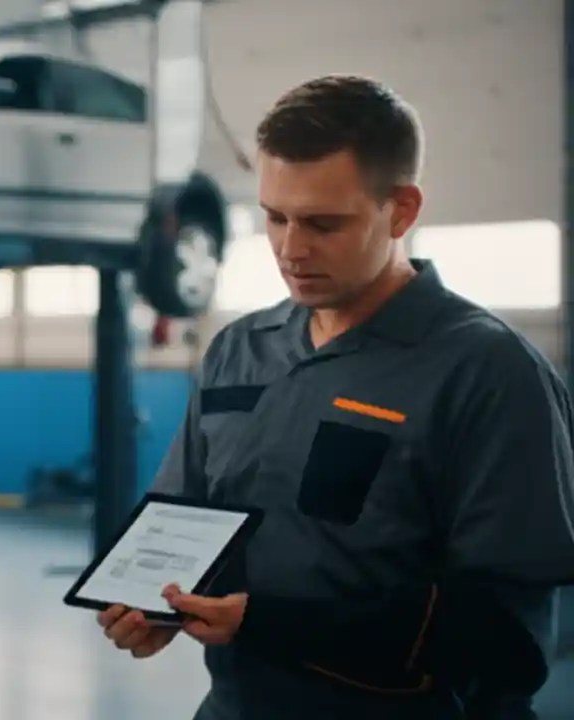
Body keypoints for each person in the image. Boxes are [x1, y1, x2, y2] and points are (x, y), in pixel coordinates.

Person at [98, 75, 574, 719]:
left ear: (401, 210)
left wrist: (270, 622)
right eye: (274, 217)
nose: (291, 249)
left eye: (324, 223)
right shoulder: (239, 349)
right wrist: (155, 605)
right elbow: (182, 521)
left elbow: (504, 637)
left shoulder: (488, 372)